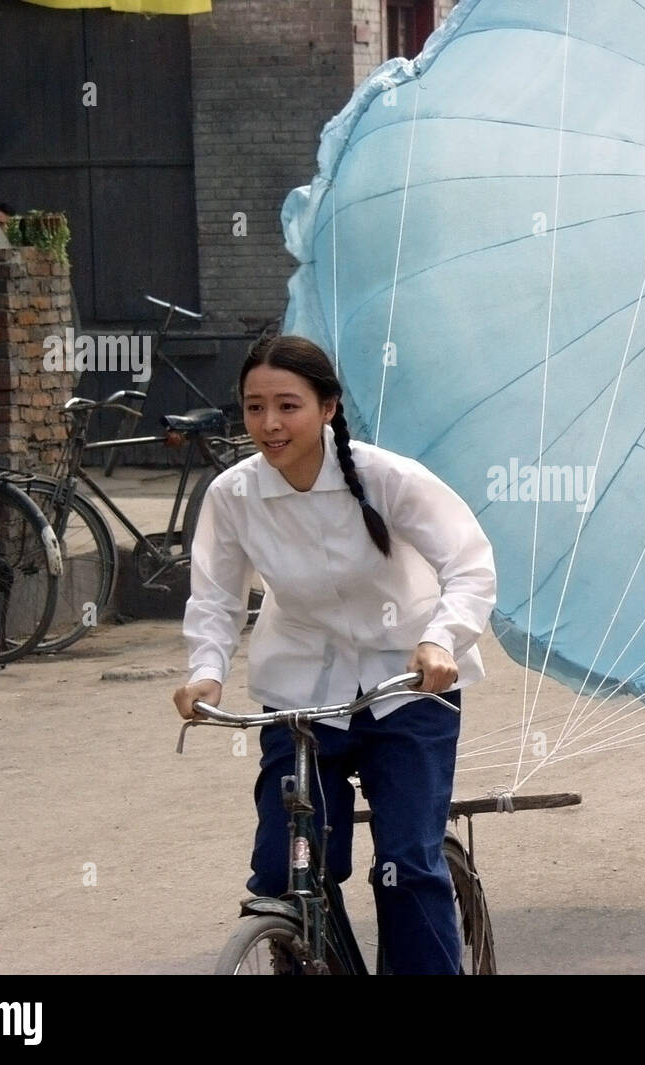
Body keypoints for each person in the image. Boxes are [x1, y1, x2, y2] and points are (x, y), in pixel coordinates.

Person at [172, 334, 497, 975]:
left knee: (404, 863)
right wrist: (204, 674)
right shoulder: (232, 495)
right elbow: (214, 598)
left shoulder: (389, 479)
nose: (269, 424)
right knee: (286, 867)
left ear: (327, 408)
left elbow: (469, 566)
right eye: (254, 407)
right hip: (300, 695)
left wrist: (440, 640)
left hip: (405, 684)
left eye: (287, 405)